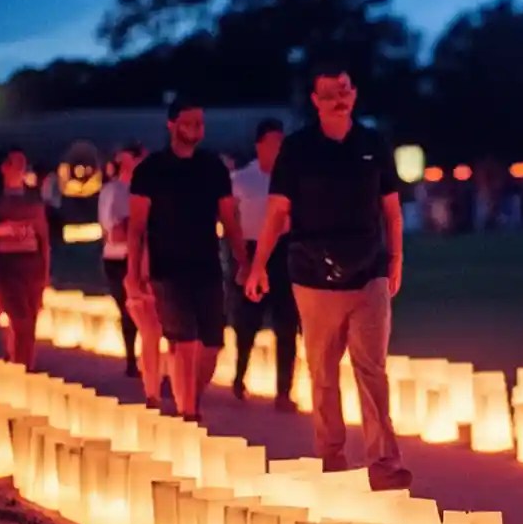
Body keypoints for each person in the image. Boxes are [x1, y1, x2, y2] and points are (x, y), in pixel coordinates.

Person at [246, 61, 412, 491]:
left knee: (371, 367)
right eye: (330, 93)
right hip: (312, 276)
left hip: (369, 272)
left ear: (354, 93)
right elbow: (278, 211)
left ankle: (384, 460)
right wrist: (259, 264)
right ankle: (332, 456)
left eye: (345, 89)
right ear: (316, 101)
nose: (340, 98)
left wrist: (395, 258)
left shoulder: (373, 143)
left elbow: (391, 210)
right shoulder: (298, 149)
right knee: (322, 371)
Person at [128, 97, 246, 422]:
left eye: (200, 123)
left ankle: (186, 395)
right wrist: (132, 273)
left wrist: (244, 261)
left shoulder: (213, 167)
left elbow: (229, 219)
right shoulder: (150, 170)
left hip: (207, 266)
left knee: (211, 345)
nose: (196, 128)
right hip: (167, 270)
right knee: (186, 341)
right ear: (172, 125)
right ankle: (189, 413)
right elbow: (137, 227)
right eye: (189, 122)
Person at [230, 118, 300, 411]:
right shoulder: (242, 179)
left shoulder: (292, 178)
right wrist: (241, 262)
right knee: (247, 323)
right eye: (272, 142)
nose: (278, 148)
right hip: (250, 249)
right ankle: (239, 377)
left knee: (286, 326)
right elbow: (231, 220)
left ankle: (284, 392)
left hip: (284, 253)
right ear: (259, 145)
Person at [0, 147, 51, 371]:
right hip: (5, 265)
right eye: (15, 162)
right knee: (20, 319)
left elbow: (44, 238)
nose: (20, 167)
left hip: (32, 265)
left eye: (23, 162)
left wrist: (45, 273)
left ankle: (26, 366)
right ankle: (20, 368)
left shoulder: (33, 197)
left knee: (31, 319)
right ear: (4, 167)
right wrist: (2, 229)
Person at [100, 143, 145, 379]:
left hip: (140, 256)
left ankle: (145, 360)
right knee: (129, 309)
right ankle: (131, 359)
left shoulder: (145, 191)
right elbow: (114, 233)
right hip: (119, 258)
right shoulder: (114, 191)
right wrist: (136, 228)